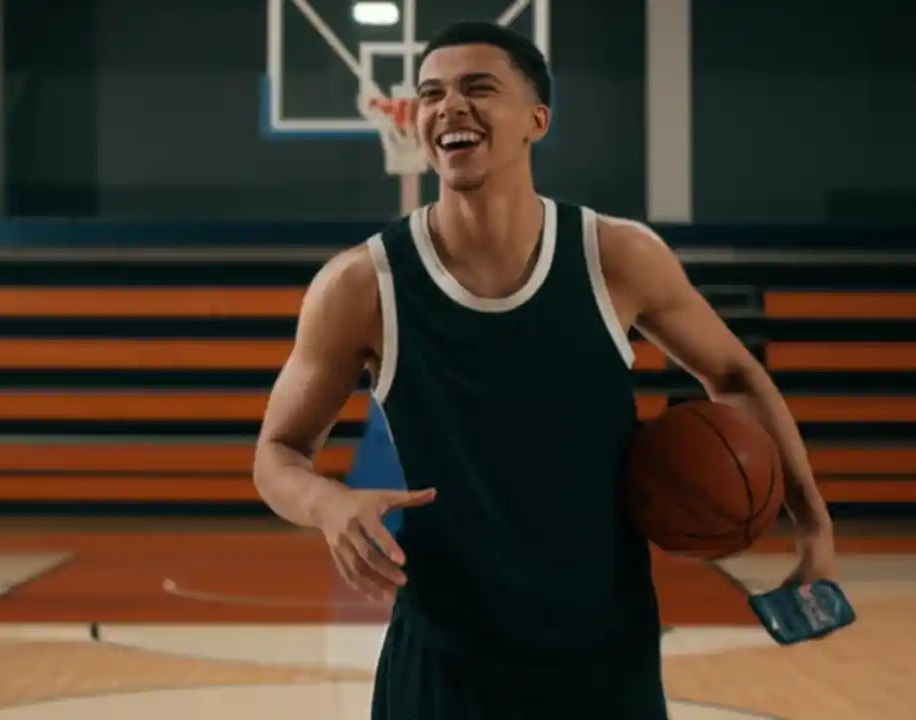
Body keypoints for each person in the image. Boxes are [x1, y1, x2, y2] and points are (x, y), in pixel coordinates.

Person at [253, 20, 838, 719]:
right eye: (431, 93)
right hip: (445, 662)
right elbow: (277, 452)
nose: (450, 106)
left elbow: (736, 378)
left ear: (538, 119)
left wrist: (813, 526)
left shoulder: (615, 256)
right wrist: (327, 504)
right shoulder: (360, 286)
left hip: (603, 659)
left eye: (478, 88)